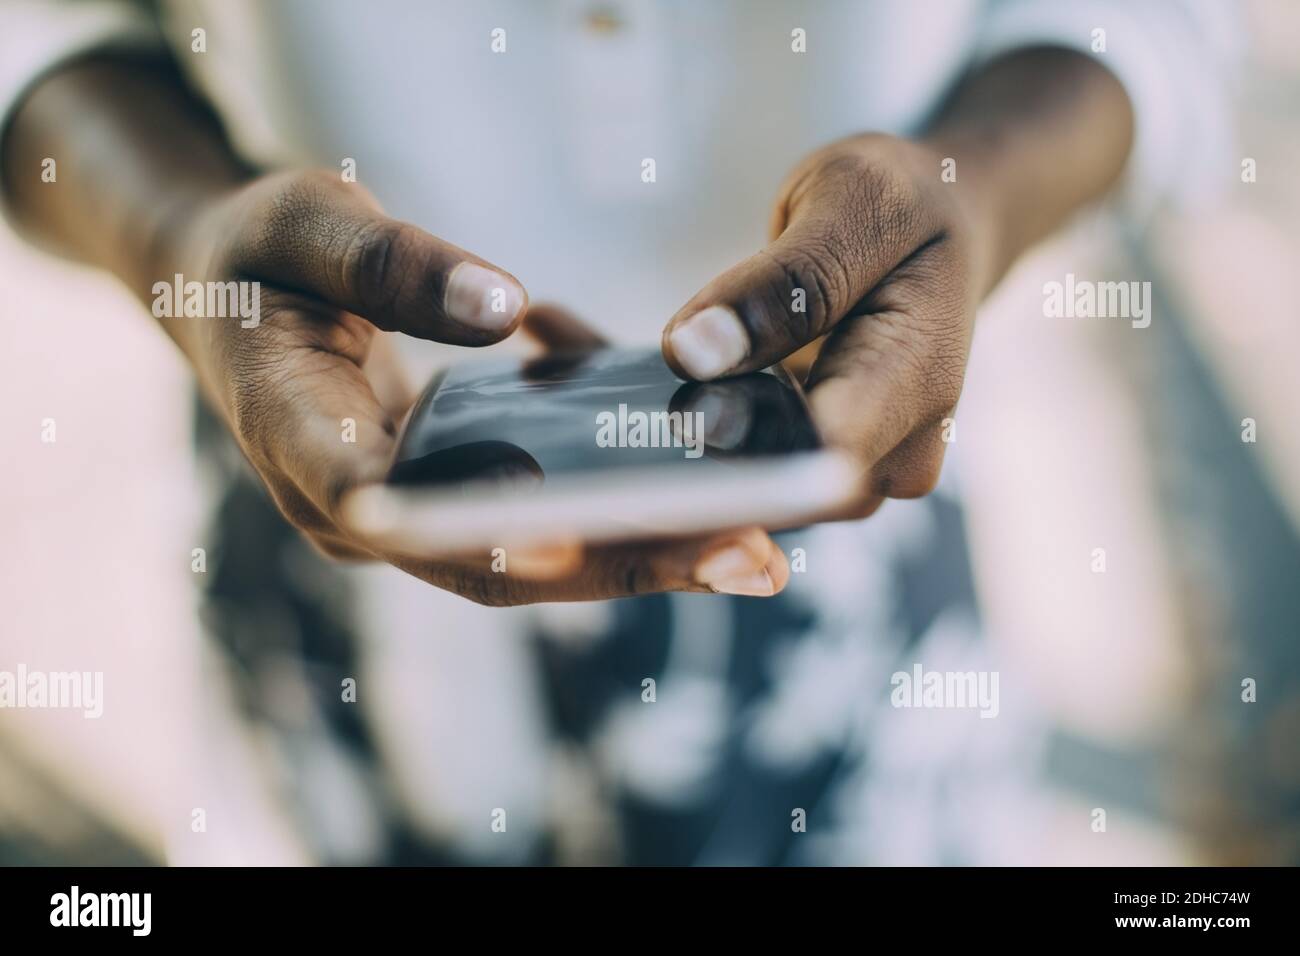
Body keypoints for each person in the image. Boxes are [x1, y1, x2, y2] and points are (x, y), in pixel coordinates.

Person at [0, 0, 1237, 864]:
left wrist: (976, 189)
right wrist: (180, 237)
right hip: (329, 497)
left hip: (850, 526)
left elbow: (1157, 18)